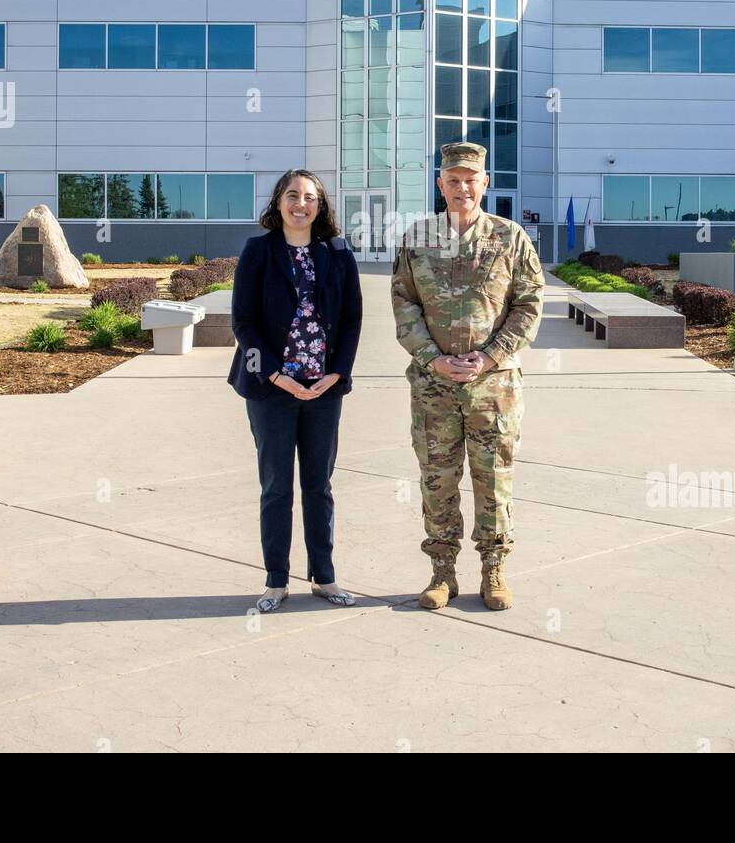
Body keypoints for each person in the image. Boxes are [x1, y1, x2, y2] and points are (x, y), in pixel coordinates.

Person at [390, 142, 544, 611]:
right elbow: (403, 303)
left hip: (493, 389)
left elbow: (530, 302)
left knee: (493, 479)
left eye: (470, 179)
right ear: (441, 185)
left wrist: (492, 356)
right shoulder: (419, 238)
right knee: (437, 479)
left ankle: (493, 570)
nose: (461, 187)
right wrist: (432, 358)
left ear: (484, 183)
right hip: (434, 387)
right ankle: (442, 573)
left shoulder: (510, 237)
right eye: (452, 180)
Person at [229, 169, 363, 613]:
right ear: (279, 202)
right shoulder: (258, 251)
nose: (300, 203)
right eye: (292, 195)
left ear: (320, 206)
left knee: (318, 486)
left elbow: (350, 321)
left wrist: (338, 373)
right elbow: (243, 322)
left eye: (310, 196)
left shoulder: (339, 253)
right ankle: (275, 581)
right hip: (271, 390)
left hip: (324, 389)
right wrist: (272, 374)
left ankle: (324, 578)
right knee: (276, 487)